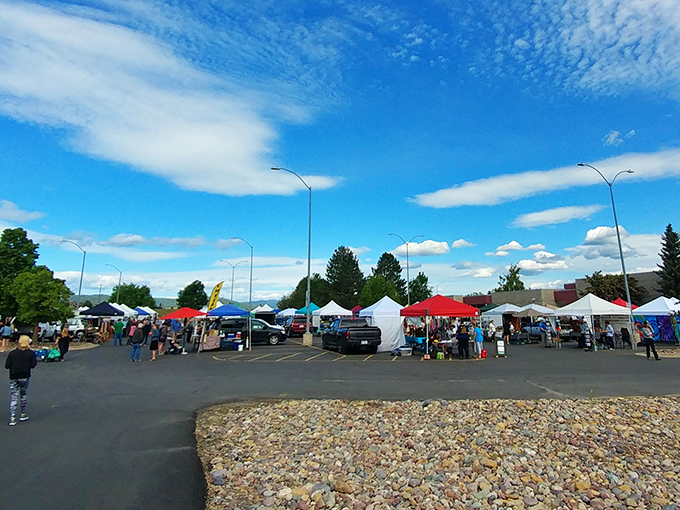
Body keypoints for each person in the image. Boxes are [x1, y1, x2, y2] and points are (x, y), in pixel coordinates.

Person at [5, 335, 37, 426]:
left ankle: (12, 417)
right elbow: (33, 365)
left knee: (14, 396)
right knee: (23, 394)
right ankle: (22, 414)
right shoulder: (30, 353)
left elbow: (7, 365)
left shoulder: (12, 353)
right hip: (24, 376)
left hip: (13, 376)